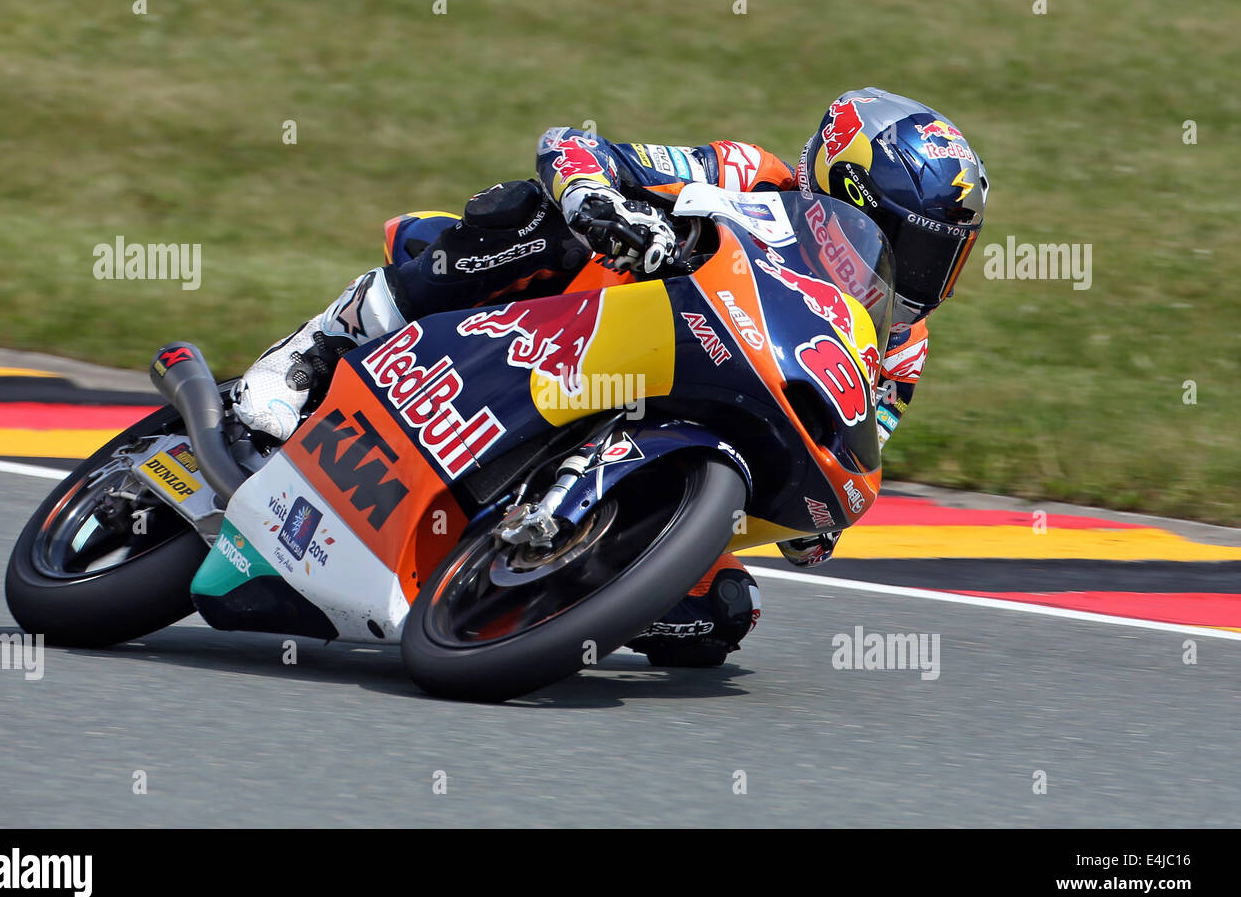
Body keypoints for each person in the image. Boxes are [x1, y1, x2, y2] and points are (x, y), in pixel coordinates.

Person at [231, 87, 989, 667]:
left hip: (698, 409)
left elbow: (859, 438)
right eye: (913, 247)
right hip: (584, 319)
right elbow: (578, 148)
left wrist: (812, 518)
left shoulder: (902, 345)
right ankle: (323, 342)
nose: (925, 277)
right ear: (844, 192)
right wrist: (597, 200)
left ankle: (545, 580)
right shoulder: (749, 175)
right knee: (540, 223)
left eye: (944, 257)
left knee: (719, 614)